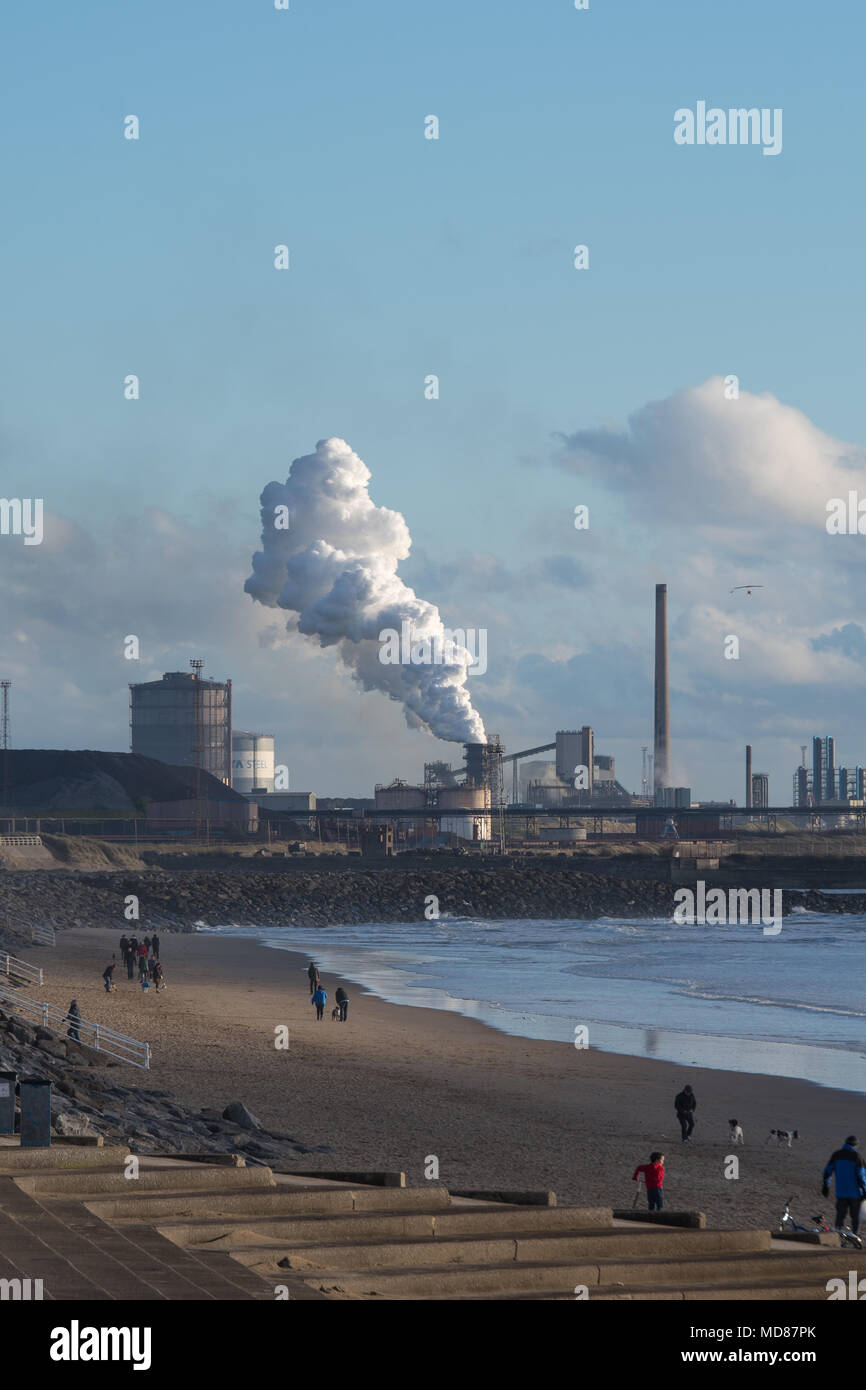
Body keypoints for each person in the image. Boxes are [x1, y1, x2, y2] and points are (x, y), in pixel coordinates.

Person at [822, 1135, 866, 1235]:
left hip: (841, 1192)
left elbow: (827, 1172)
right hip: (855, 1193)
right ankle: (855, 1236)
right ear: (855, 1145)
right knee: (855, 1217)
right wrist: (864, 1190)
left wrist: (826, 1186)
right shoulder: (857, 1156)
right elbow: (861, 1175)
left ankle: (837, 1236)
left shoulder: (837, 1155)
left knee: (840, 1216)